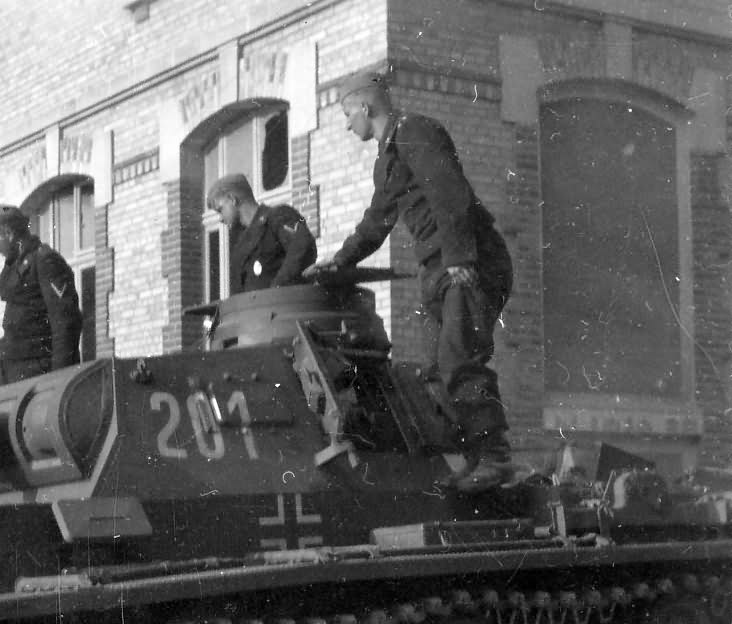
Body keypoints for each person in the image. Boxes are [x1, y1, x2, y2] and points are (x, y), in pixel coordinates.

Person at [318, 69, 514, 492]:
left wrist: (462, 258)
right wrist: (340, 261)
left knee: (458, 361)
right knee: (434, 372)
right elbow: (377, 222)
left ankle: (494, 458)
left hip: (466, 263)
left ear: (365, 108)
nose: (346, 124)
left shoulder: (414, 132)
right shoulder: (388, 159)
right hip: (439, 267)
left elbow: (450, 193)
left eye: (347, 114)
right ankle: (474, 461)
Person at [0, 204, 83, 385]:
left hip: (40, 372)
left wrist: (59, 379)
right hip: (15, 370)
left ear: (8, 233)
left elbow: (65, 321)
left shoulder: (45, 260)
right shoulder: (15, 266)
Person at [206, 173, 317, 294]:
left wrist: (275, 291)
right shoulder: (240, 246)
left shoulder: (278, 217)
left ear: (233, 199)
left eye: (220, 210)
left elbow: (302, 248)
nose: (220, 218)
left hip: (284, 307)